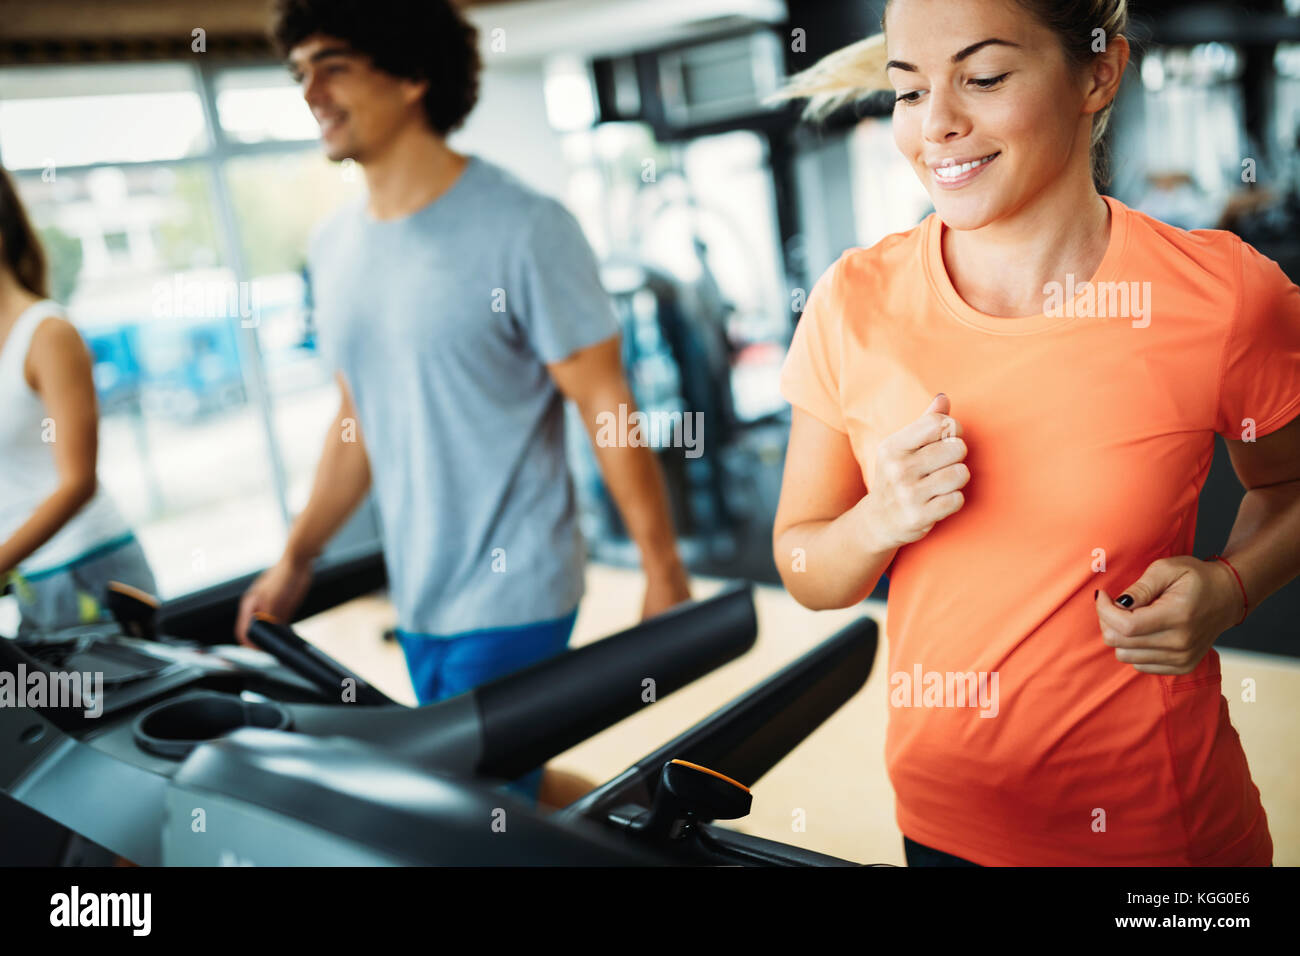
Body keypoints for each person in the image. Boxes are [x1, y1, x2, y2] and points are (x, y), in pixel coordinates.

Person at [771, 0, 1299, 866]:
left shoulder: (1224, 293)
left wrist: (1232, 588)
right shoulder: (850, 304)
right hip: (945, 828)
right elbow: (804, 566)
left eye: (982, 78)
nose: (936, 125)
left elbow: (1290, 482)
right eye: (907, 92)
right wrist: (878, 520)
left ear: (1098, 72)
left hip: (1163, 837)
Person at [236, 0, 692, 806]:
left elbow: (604, 405)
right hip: (420, 593)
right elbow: (356, 422)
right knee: (495, 794)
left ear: (413, 75)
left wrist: (662, 570)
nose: (310, 92)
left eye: (332, 65)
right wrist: (297, 555)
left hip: (516, 589)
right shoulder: (334, 247)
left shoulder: (524, 226)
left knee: (473, 806)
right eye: (299, 71)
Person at [0, 165, 157, 636]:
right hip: (33, 576)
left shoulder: (48, 333)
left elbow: (77, 482)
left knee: (100, 711)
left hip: (88, 566)